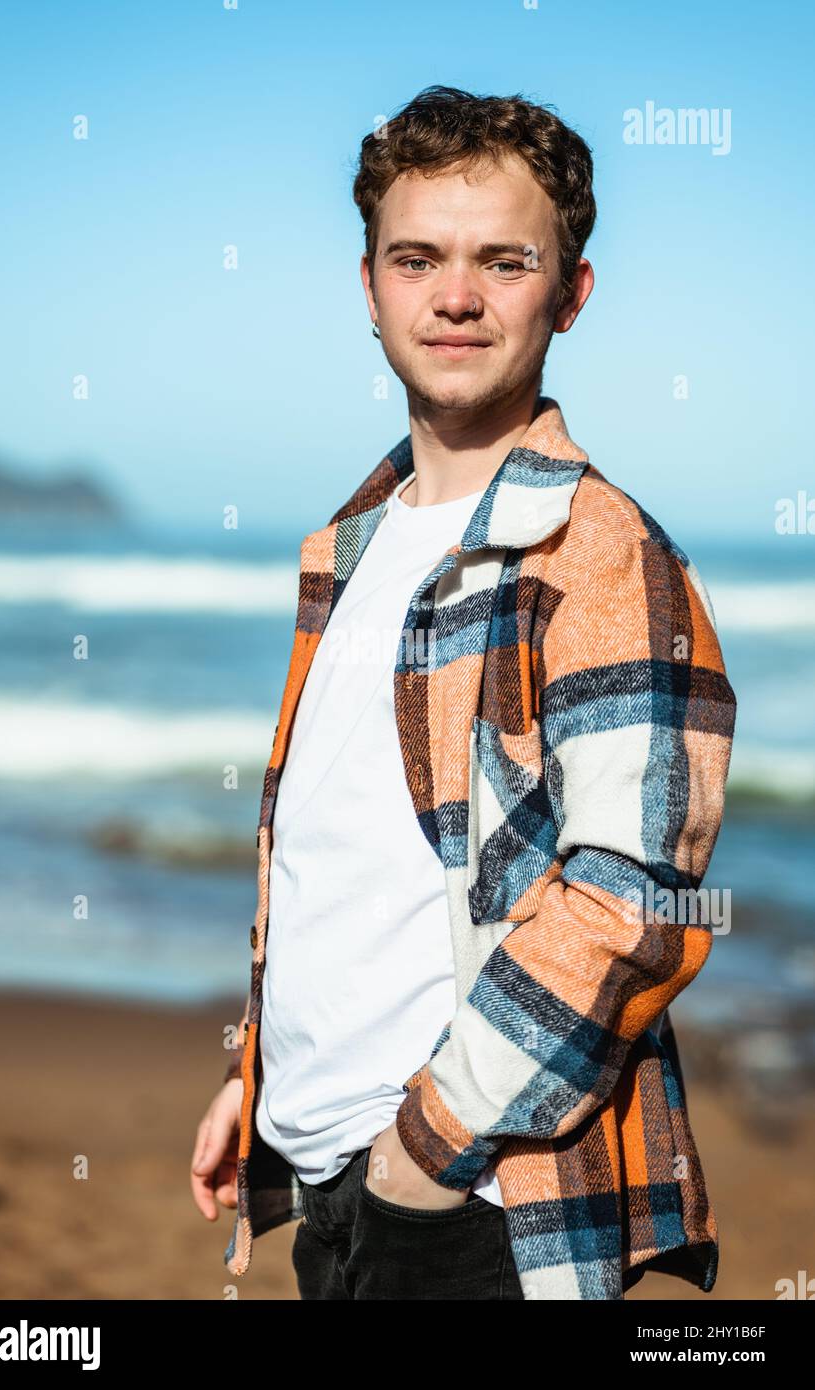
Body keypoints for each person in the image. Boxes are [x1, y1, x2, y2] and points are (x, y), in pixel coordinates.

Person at [190, 85, 737, 1301]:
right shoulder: (351, 544)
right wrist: (267, 1075)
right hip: (331, 1169)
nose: (453, 296)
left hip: (484, 1202)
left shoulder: (599, 555)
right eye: (416, 258)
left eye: (503, 260)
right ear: (368, 285)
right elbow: (356, 856)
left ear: (571, 292)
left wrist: (420, 1157)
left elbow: (635, 903)